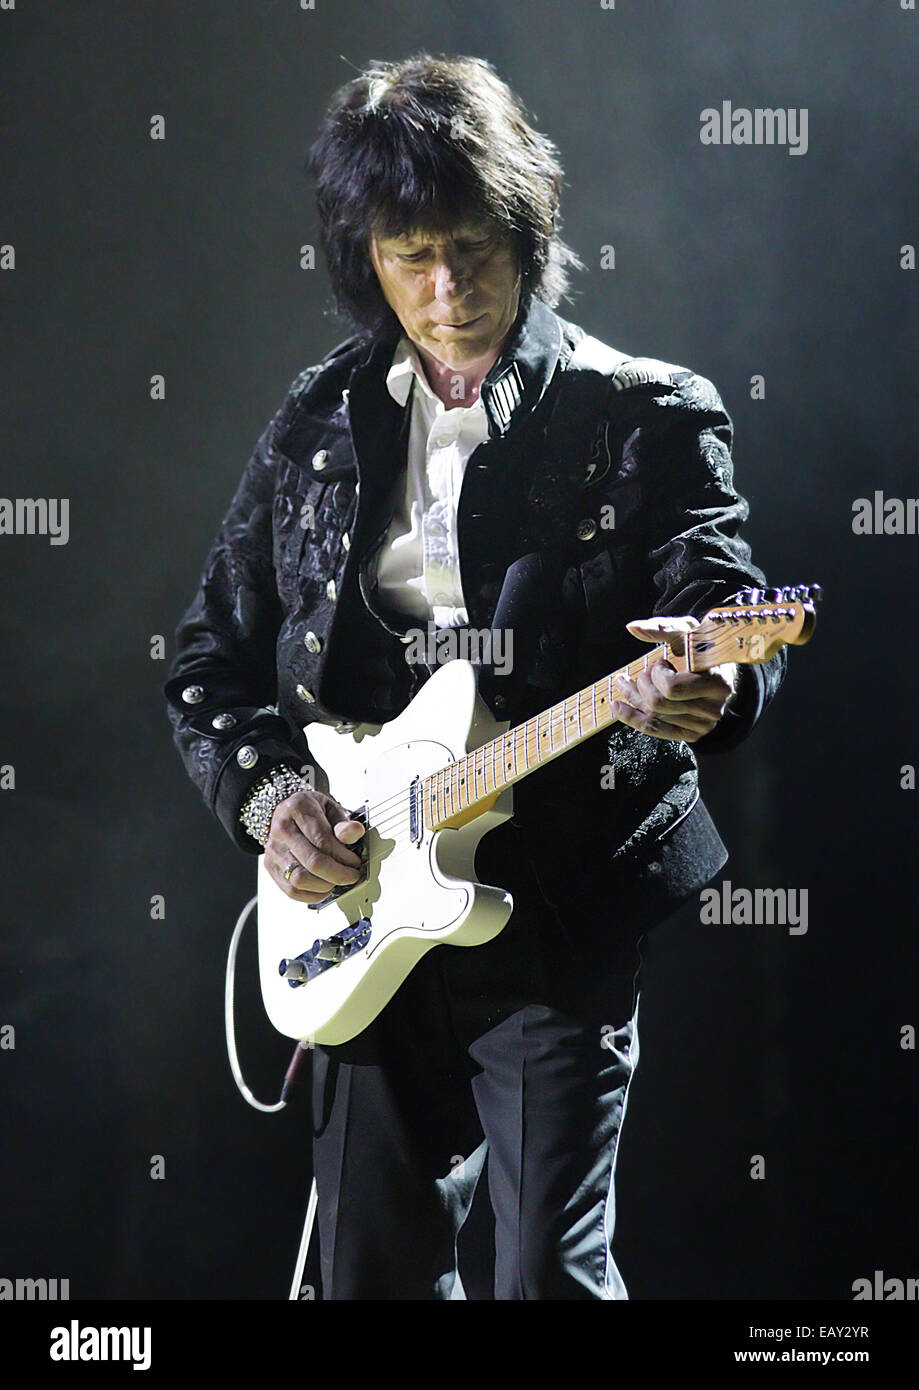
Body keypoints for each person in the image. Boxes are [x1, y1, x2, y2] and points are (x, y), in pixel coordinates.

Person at [164, 54, 786, 1300]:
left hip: (561, 901)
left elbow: (718, 601)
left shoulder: (644, 412)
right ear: (365, 260)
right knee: (367, 1274)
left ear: (525, 227)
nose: (447, 291)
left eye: (472, 247)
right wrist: (269, 800)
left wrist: (711, 688)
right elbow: (209, 658)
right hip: (364, 898)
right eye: (409, 256)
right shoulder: (316, 418)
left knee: (548, 1274)